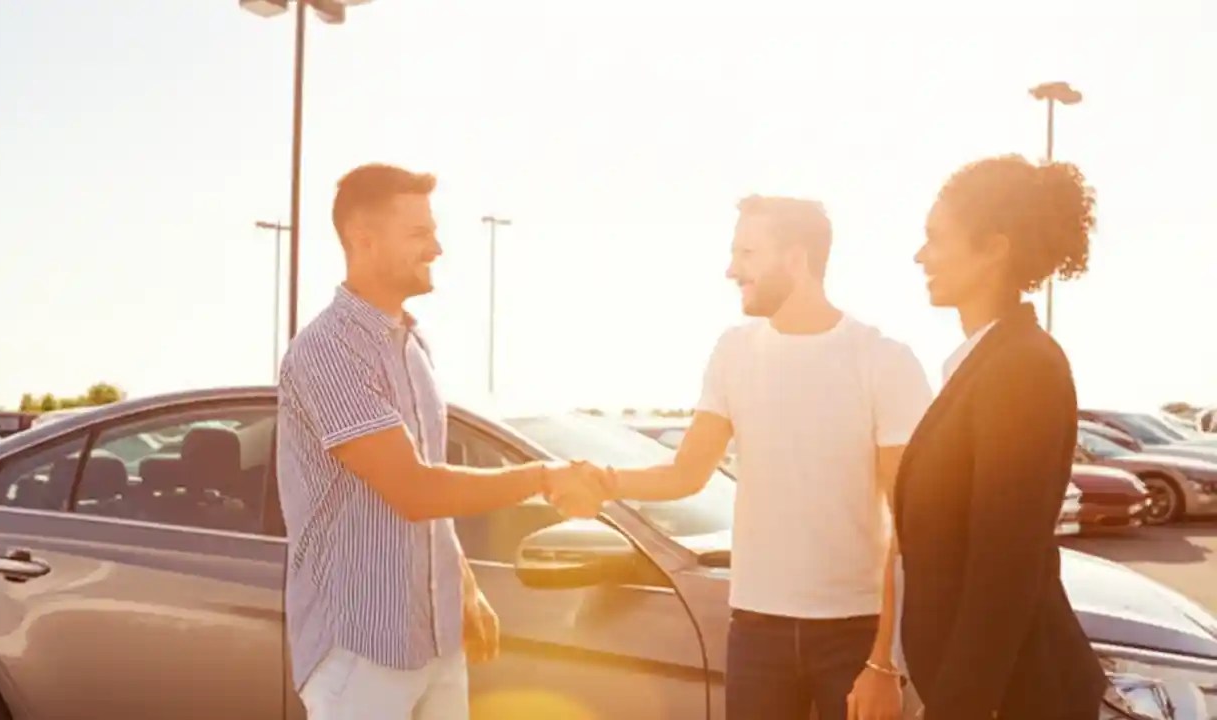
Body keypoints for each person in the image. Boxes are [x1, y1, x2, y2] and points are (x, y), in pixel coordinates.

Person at [557, 195, 933, 720]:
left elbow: (911, 524)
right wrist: (604, 480)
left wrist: (884, 661)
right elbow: (686, 473)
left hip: (854, 633)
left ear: (796, 259)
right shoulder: (734, 351)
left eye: (747, 252)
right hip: (757, 631)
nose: (732, 269)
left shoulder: (883, 360)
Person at [275, 163, 608, 720]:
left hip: (434, 643)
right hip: (360, 652)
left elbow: (433, 486)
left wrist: (464, 587)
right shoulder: (327, 351)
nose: (438, 248)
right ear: (364, 239)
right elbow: (414, 490)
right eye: (419, 233)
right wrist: (544, 477)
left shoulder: (413, 345)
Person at [893, 154, 1107, 720]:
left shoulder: (1021, 369)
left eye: (935, 239)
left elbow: (1002, 568)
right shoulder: (984, 363)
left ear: (994, 247)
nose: (920, 255)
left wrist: (959, 709)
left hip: (1017, 698)